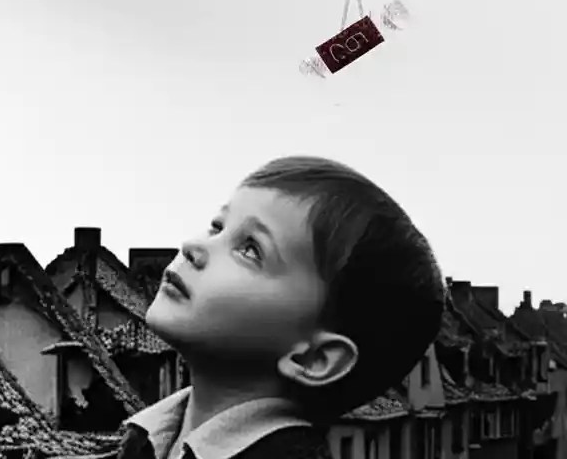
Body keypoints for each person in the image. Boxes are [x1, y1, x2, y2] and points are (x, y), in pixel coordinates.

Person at [116, 156, 445, 459]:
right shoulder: (150, 439)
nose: (194, 246)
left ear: (314, 358)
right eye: (217, 227)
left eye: (250, 250)